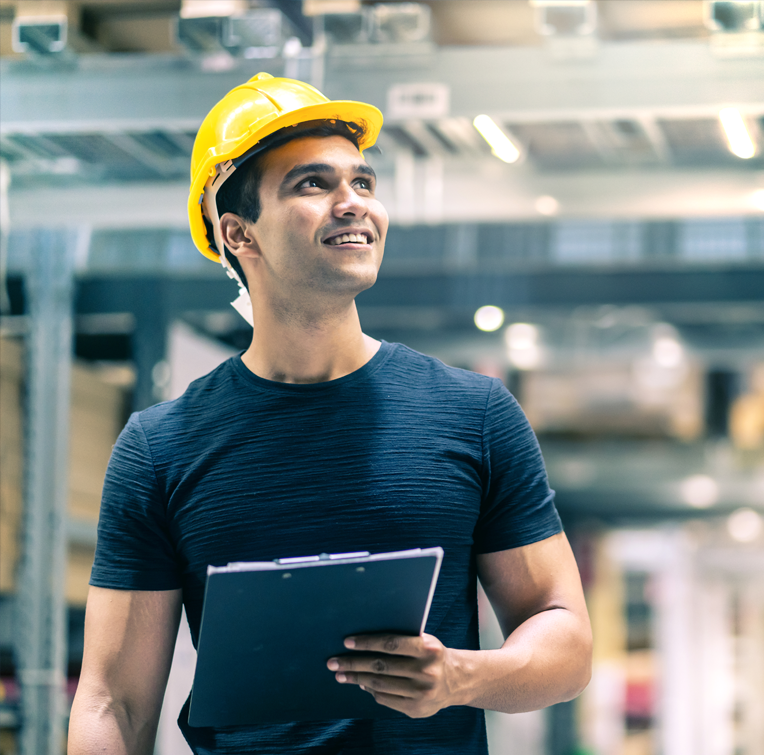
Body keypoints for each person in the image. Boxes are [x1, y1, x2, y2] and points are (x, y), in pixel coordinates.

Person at [68, 74, 592, 755]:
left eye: (364, 182)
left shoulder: (474, 415)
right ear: (238, 233)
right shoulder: (161, 448)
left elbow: (567, 639)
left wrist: (463, 675)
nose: (354, 204)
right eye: (312, 185)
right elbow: (113, 701)